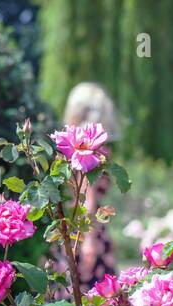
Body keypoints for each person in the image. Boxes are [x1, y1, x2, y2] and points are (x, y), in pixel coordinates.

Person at [54, 82, 118, 290]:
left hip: (73, 228)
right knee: (96, 299)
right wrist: (90, 241)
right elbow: (88, 197)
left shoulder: (70, 148)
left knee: (71, 295)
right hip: (89, 231)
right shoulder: (93, 150)